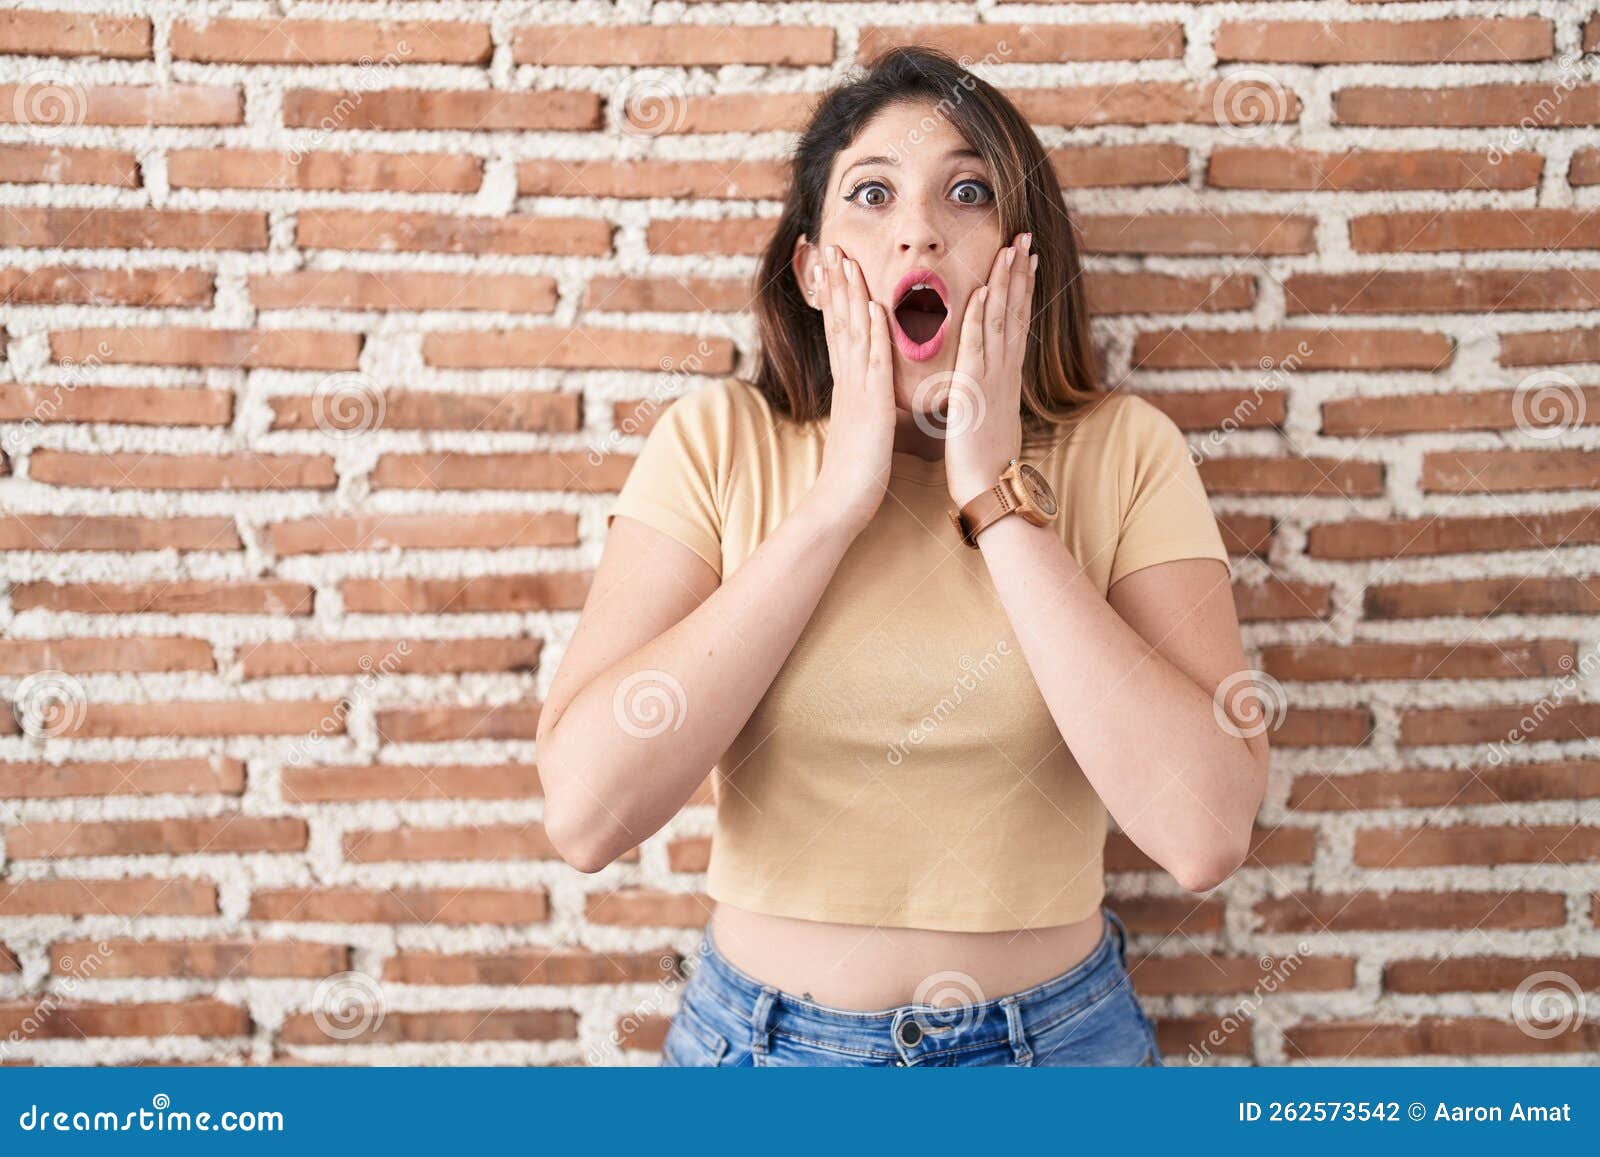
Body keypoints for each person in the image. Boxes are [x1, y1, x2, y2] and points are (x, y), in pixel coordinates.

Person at [534, 46, 1270, 1068]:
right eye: (870, 194)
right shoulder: (716, 441)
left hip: (1055, 1052)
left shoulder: (1124, 451)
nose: (918, 227)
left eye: (966, 192)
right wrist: (836, 501)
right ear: (811, 268)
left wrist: (992, 493)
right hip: (759, 1052)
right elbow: (585, 814)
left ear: (1023, 258)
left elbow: (1204, 834)